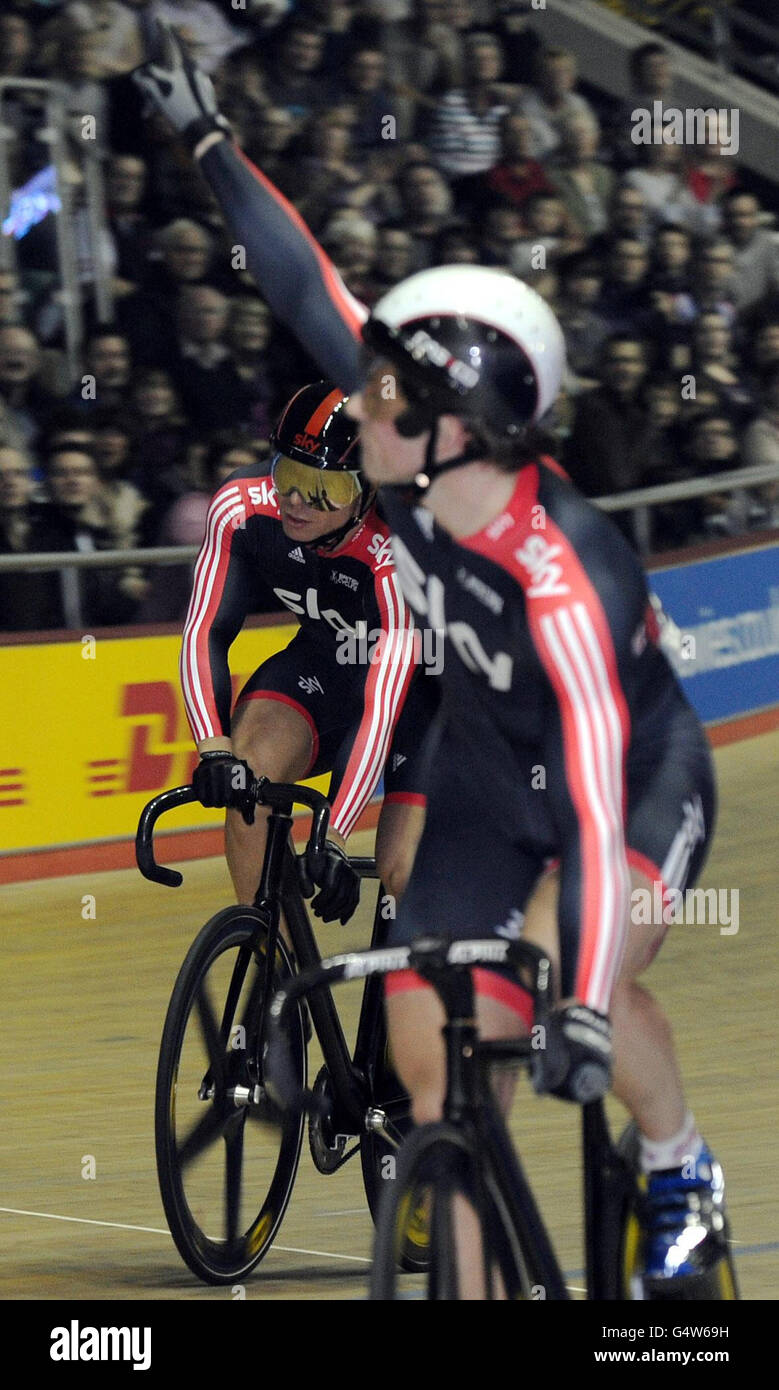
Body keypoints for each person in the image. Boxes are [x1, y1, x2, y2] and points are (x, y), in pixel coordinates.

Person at [133, 26, 733, 1293]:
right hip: (480, 760)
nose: (361, 408)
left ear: (459, 432)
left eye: (389, 403)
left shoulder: (565, 576)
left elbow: (582, 790)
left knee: (578, 972)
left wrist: (565, 999)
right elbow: (305, 291)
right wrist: (206, 142)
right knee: (425, 1045)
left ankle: (677, 1168)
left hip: (619, 774)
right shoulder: (412, 473)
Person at [182, 378, 436, 921]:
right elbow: (206, 631)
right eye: (290, 477)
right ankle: (272, 966)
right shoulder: (241, 506)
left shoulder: (393, 552)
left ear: (366, 488)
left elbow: (382, 709)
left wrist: (337, 836)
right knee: (247, 779)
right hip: (324, 663)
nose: (298, 502)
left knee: (401, 871)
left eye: (325, 490)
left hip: (423, 695)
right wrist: (213, 748)